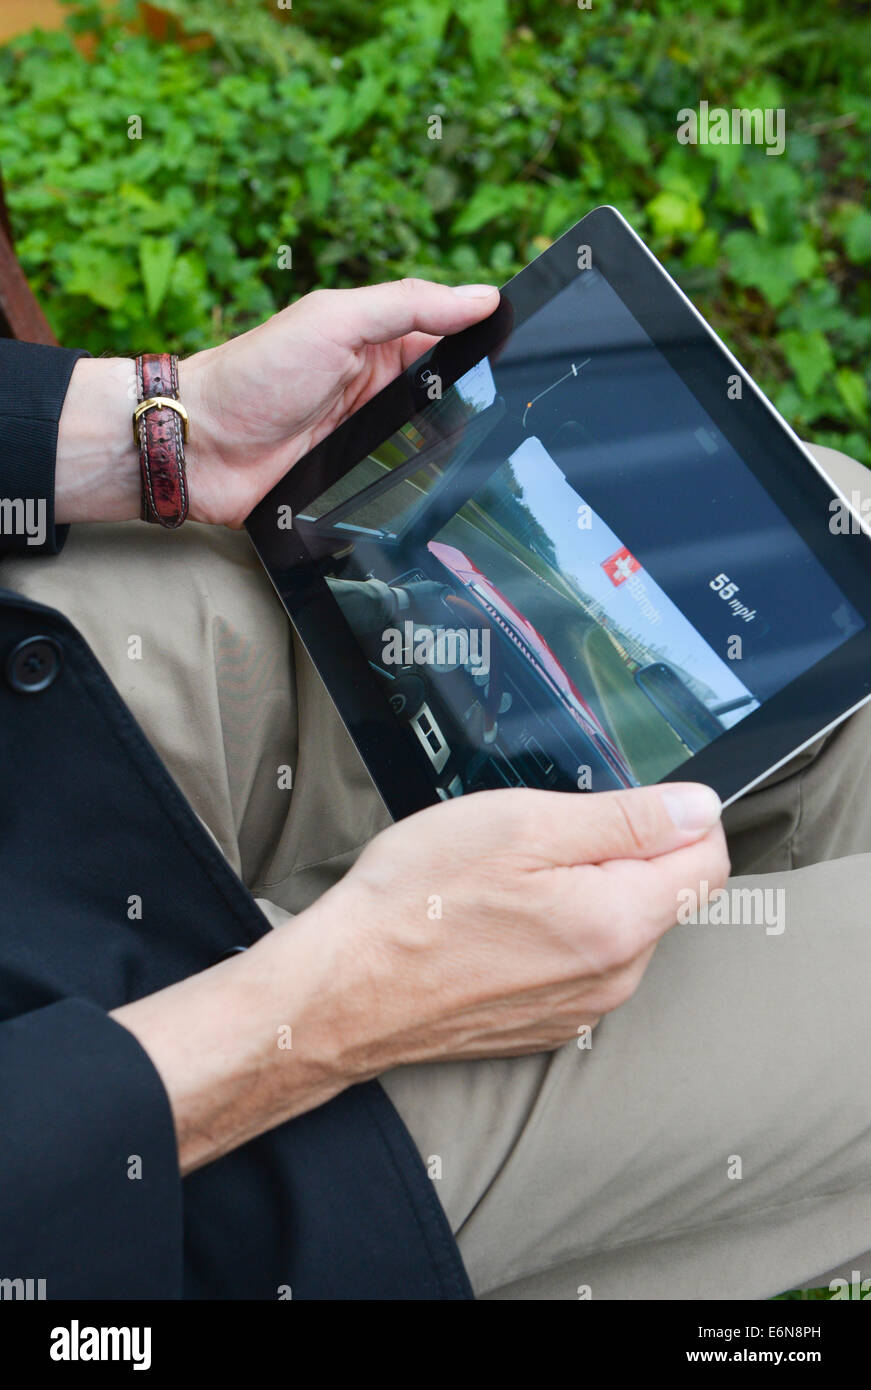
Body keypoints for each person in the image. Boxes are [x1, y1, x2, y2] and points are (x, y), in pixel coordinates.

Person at [0, 278, 868, 1301]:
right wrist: (332, 1009)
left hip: (46, 681)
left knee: (837, 523)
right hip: (119, 1163)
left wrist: (157, 425)